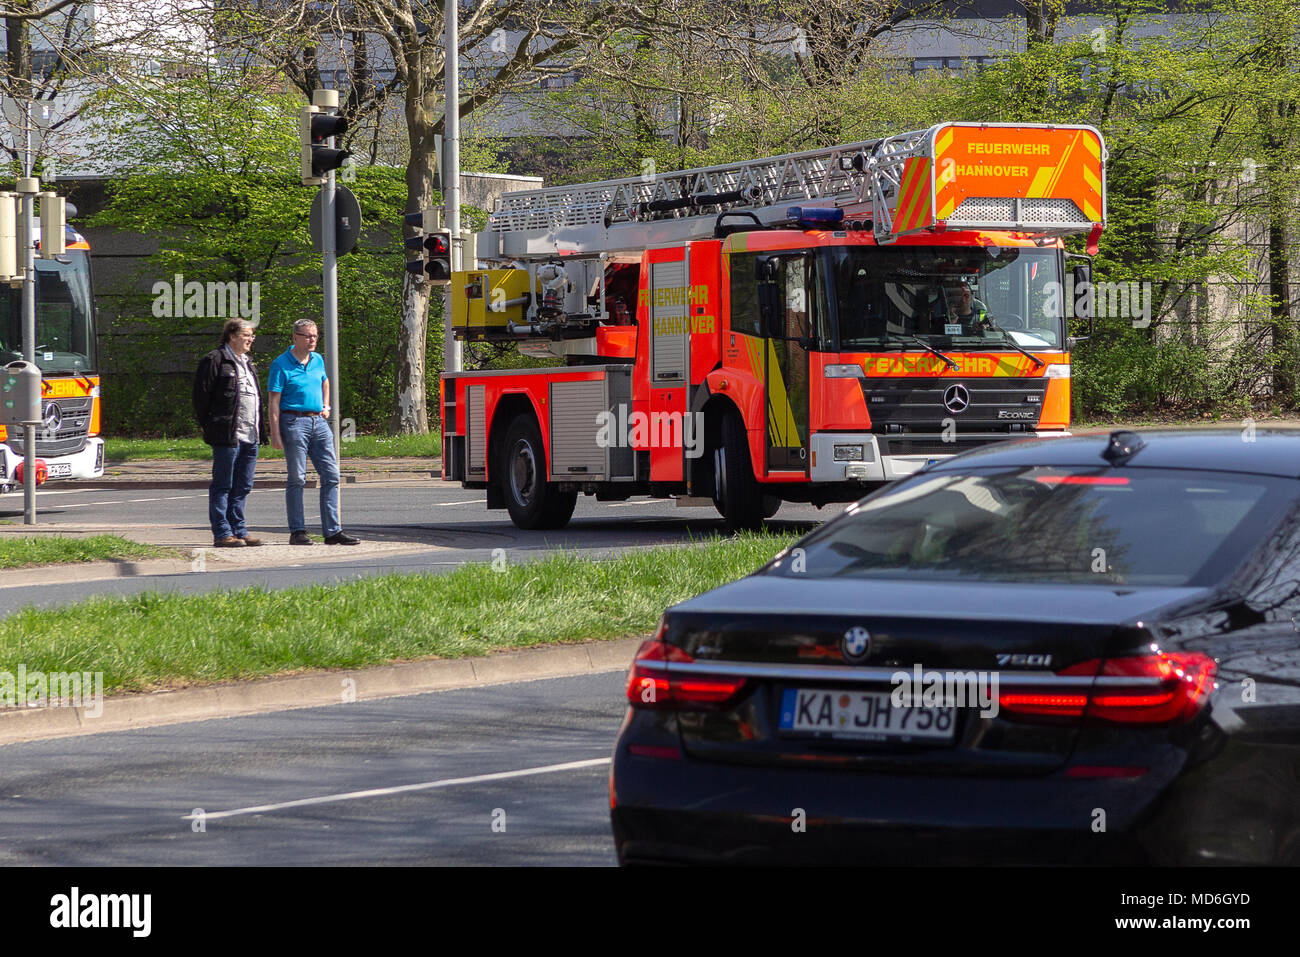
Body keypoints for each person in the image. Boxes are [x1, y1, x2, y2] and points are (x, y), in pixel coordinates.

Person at [267, 319, 359, 546]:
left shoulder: (317, 360)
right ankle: (297, 531)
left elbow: (325, 382)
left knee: (332, 475)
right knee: (298, 477)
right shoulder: (281, 364)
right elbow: (273, 401)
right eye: (308, 336)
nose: (312, 340)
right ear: (295, 337)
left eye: (315, 336)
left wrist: (326, 406)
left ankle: (332, 531)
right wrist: (275, 432)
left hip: (318, 422)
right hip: (293, 422)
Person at [193, 318, 265, 548]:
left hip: (250, 435)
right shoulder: (215, 360)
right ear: (232, 335)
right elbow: (200, 397)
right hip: (227, 435)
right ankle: (223, 533)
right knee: (223, 485)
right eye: (246, 335)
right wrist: (211, 426)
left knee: (243, 486)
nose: (251, 339)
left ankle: (239, 530)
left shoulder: (248, 363)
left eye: (252, 335)